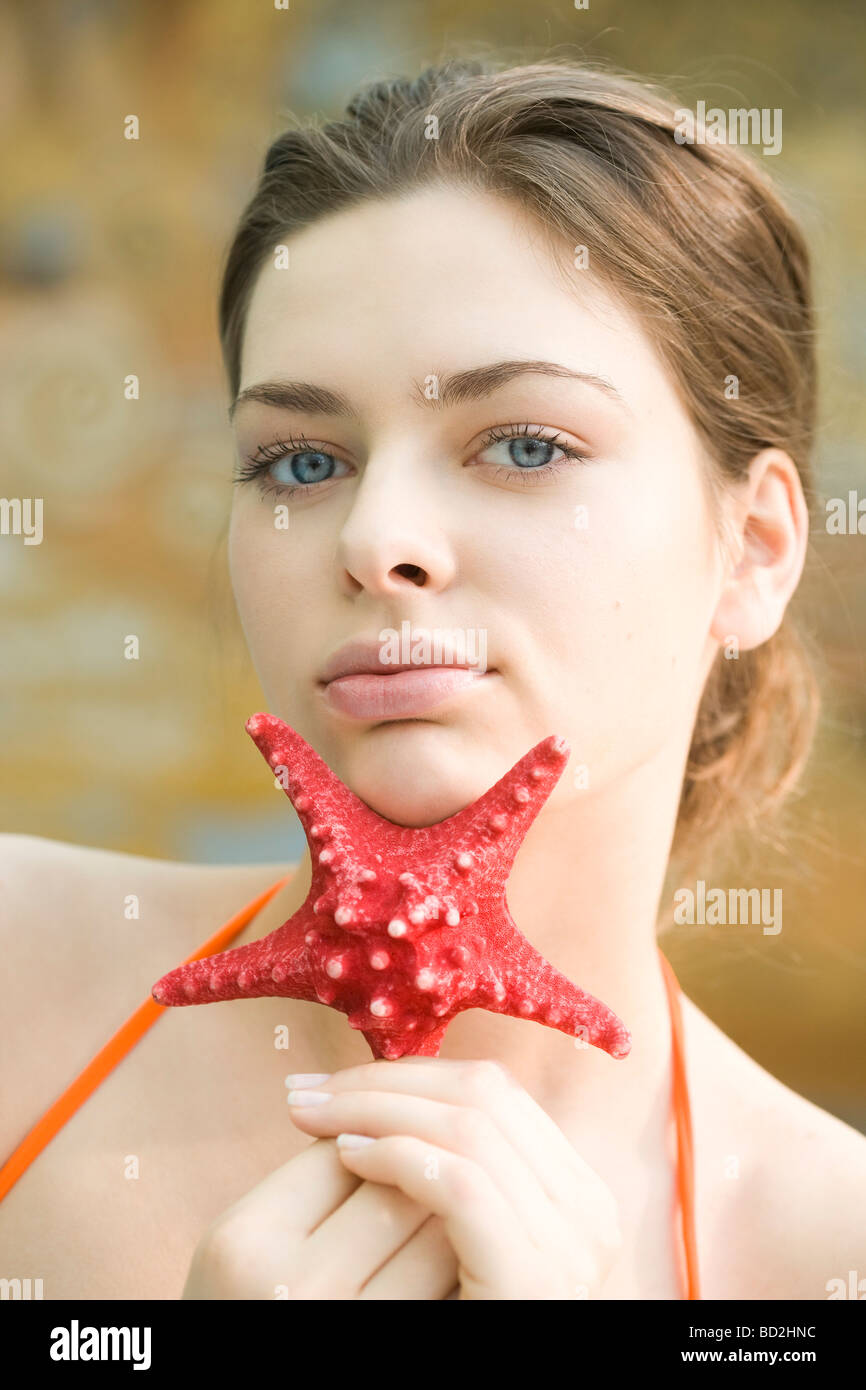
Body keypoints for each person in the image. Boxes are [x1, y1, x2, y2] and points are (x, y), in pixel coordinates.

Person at [2, 57, 864, 1301]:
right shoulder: (17, 975)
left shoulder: (822, 1256)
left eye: (523, 443)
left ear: (755, 547)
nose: (373, 537)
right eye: (299, 461)